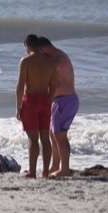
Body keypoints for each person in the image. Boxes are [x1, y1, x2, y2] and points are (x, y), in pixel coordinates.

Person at [37, 37, 78, 177]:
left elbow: (45, 71)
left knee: (59, 135)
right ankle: (55, 166)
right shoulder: (54, 58)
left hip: (65, 100)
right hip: (59, 101)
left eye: (40, 52)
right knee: (53, 134)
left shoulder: (59, 59)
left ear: (44, 49)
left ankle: (65, 169)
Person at [15, 34, 54, 178]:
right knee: (45, 138)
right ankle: (45, 172)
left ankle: (32, 172)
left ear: (27, 45)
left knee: (32, 138)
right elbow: (53, 87)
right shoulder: (50, 62)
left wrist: (18, 107)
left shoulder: (25, 61)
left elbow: (20, 86)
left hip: (30, 100)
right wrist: (49, 101)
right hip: (45, 100)